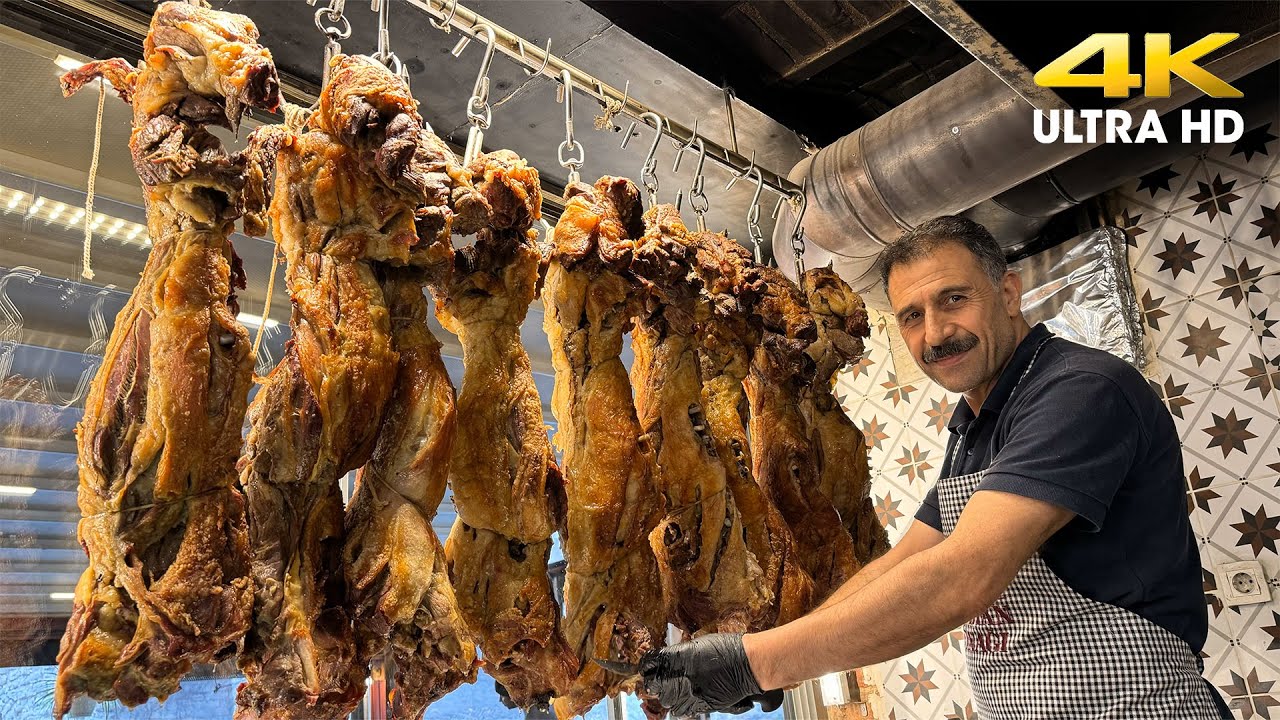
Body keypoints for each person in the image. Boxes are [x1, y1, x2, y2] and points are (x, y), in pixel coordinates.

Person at [639, 216, 1232, 719]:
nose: (936, 332)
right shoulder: (974, 425)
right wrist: (777, 656)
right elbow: (906, 561)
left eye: (954, 299)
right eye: (911, 316)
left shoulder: (1078, 389)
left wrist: (757, 664)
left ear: (1008, 293)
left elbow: (963, 574)